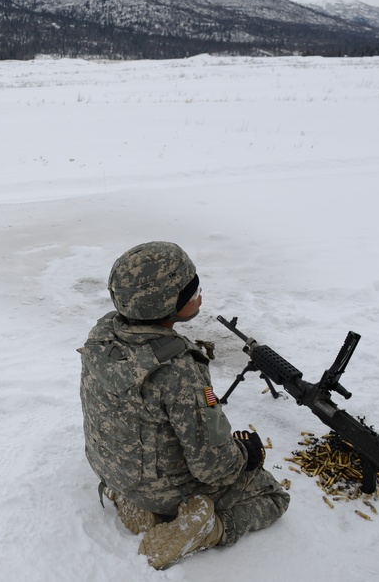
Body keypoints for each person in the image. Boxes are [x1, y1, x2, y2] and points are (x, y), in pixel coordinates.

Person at [78, 241, 289, 569]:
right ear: (165, 303)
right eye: (192, 292)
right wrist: (246, 456)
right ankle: (207, 529)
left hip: (109, 468)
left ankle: (129, 498)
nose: (200, 296)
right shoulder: (178, 368)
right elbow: (212, 466)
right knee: (274, 496)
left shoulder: (103, 333)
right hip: (158, 487)